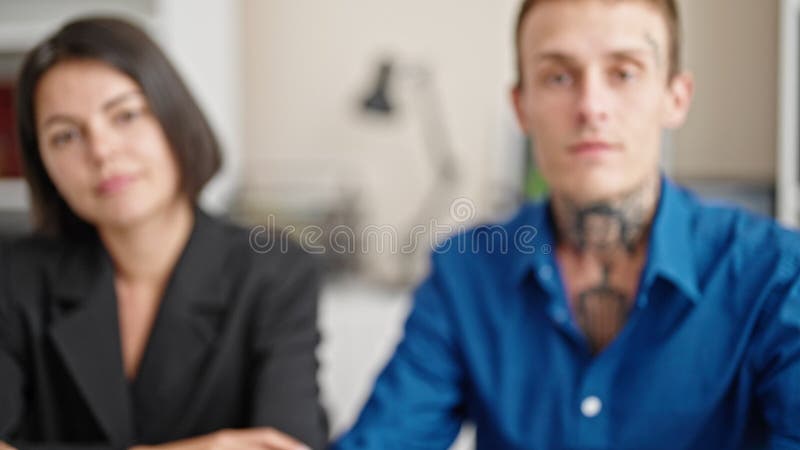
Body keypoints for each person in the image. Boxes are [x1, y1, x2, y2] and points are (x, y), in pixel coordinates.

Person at [332, 0, 800, 448]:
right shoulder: (466, 273)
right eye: (558, 77)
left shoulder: (773, 274)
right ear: (521, 107)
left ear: (675, 98)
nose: (591, 107)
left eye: (624, 73)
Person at [0, 17, 327, 450]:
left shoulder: (274, 271)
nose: (101, 151)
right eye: (65, 136)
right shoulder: (14, 277)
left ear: (174, 119)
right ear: (42, 164)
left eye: (126, 116)